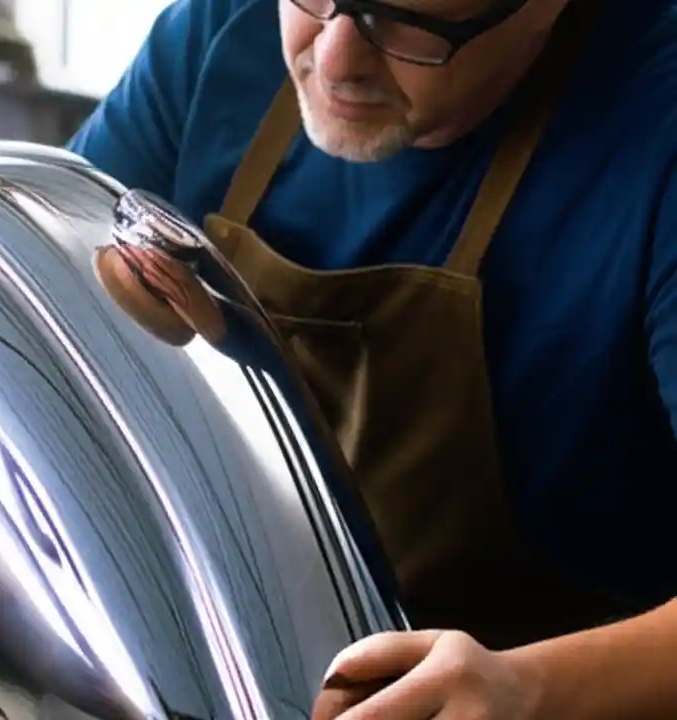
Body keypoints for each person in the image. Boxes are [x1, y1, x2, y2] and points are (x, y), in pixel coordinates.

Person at [68, 0, 677, 717]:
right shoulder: (220, 31)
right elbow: (44, 308)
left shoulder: (656, 121)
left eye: (404, 23)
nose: (335, 61)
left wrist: (530, 689)